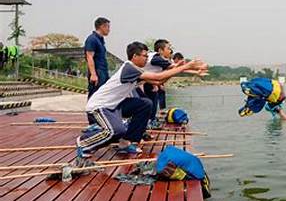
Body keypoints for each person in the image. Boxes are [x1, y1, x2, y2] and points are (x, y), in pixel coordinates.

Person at [76, 41, 208, 160]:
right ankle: (84, 143)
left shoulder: (137, 71)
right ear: (134, 57)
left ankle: (127, 143)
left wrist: (181, 70)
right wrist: (184, 67)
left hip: (115, 106)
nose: (147, 58)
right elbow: (159, 75)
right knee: (115, 131)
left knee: (145, 104)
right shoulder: (129, 68)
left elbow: (159, 80)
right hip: (99, 106)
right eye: (144, 56)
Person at [84, 17, 111, 124]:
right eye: (108, 27)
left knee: (102, 96)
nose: (109, 29)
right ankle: (92, 122)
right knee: (94, 96)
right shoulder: (92, 39)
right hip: (97, 72)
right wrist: (93, 74)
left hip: (103, 71)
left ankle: (101, 120)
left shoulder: (100, 40)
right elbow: (89, 56)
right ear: (102, 26)